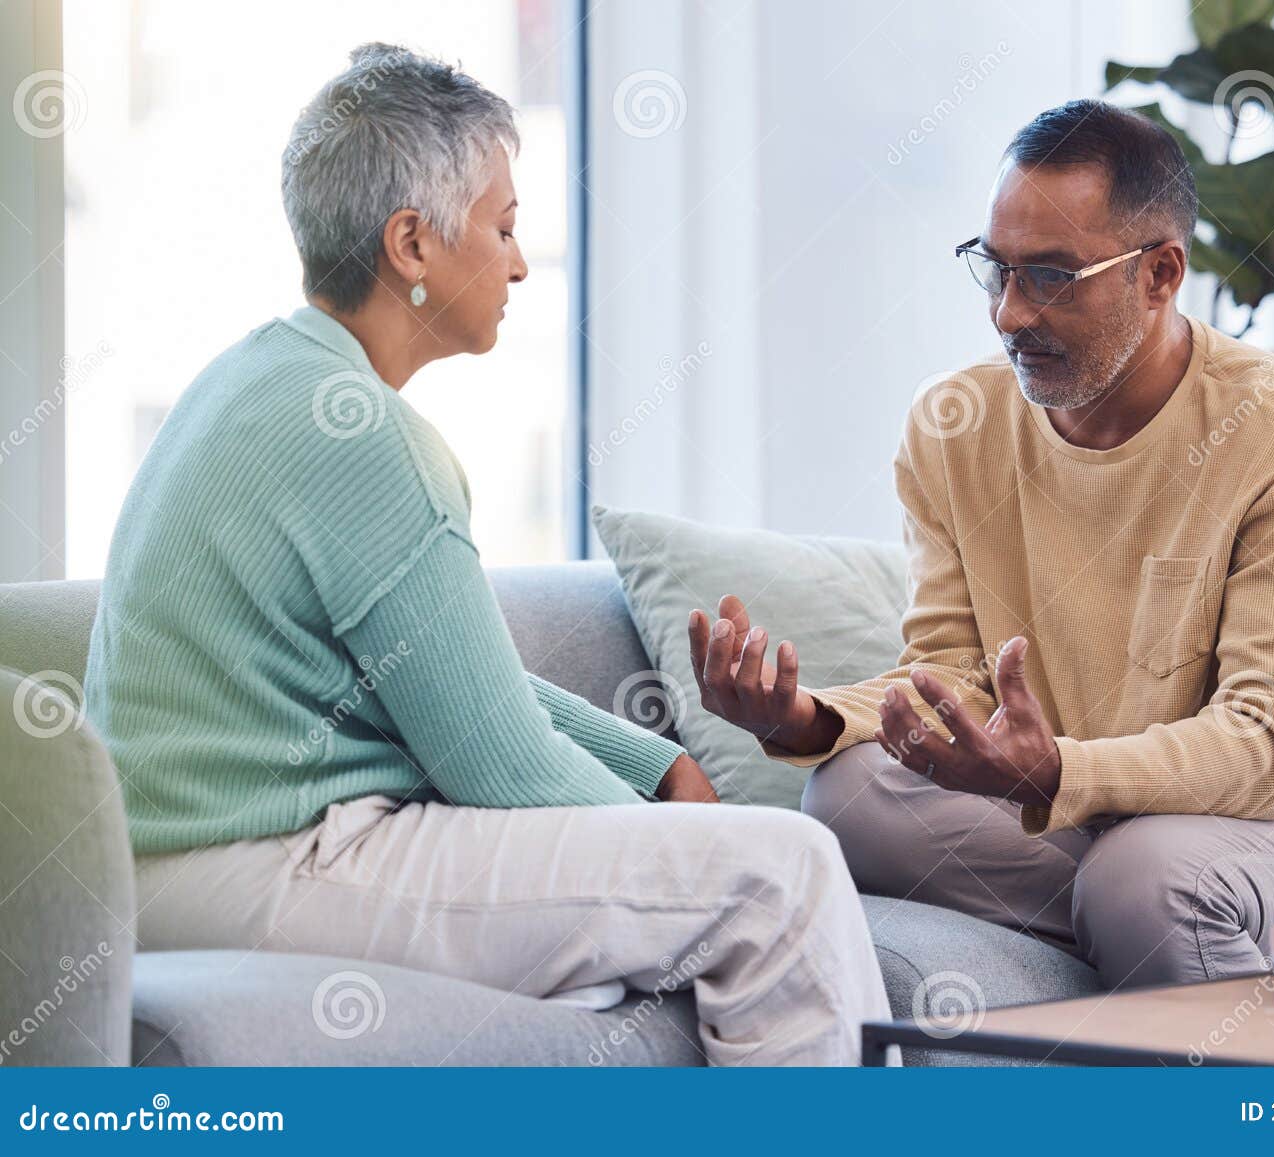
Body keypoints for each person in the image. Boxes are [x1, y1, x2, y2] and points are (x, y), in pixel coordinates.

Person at [84, 43, 888, 1066]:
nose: (515, 262)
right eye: (503, 228)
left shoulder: (257, 379)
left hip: (168, 868)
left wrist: (660, 764)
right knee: (783, 874)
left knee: (741, 870)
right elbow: (498, 762)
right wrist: (692, 844)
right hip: (260, 863)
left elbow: (459, 681)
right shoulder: (365, 440)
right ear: (412, 244)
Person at [690, 99, 1274, 990]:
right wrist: (805, 717)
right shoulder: (953, 425)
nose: (1008, 315)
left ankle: (1161, 925)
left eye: (1049, 277)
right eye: (995, 270)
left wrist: (1060, 771)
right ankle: (1144, 920)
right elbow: (951, 670)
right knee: (847, 796)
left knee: (1147, 874)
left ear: (1159, 275)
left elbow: (1270, 744)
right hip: (1075, 801)